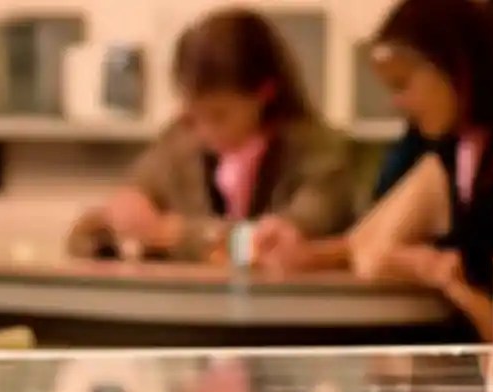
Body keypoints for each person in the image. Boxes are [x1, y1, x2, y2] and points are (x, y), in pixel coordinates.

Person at [257, 0, 493, 342]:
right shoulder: (443, 150)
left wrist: (433, 270)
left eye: (403, 84)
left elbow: (386, 253)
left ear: (459, 67)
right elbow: (372, 241)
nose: (398, 102)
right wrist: (307, 255)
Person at [71, 8, 355, 262]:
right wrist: (120, 215)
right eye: (193, 116)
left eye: (220, 115)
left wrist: (173, 234)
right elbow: (97, 226)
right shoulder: (181, 140)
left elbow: (277, 244)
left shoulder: (321, 155)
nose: (204, 132)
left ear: (265, 93)